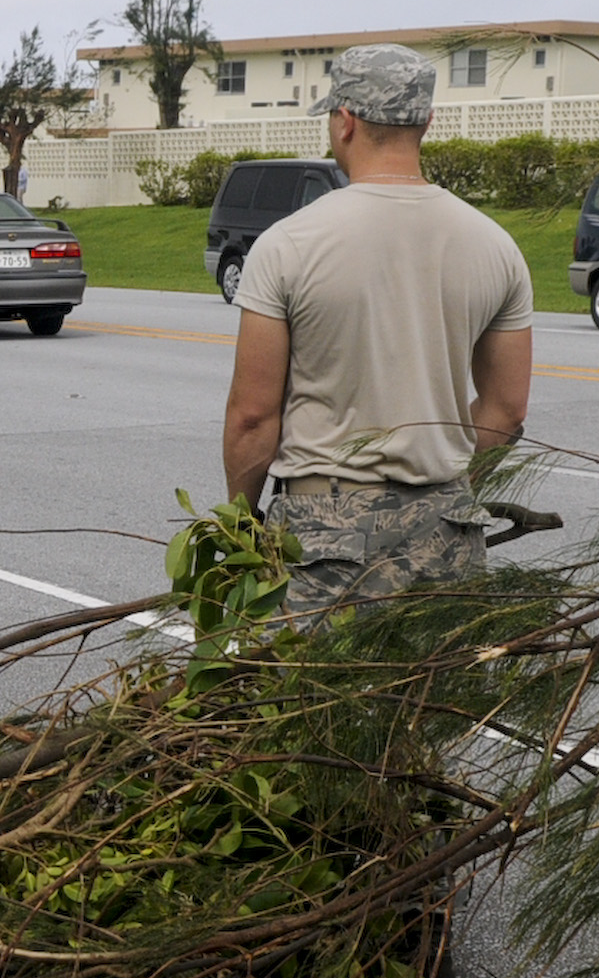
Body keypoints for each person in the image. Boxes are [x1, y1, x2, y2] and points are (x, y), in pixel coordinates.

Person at [219, 43, 534, 615]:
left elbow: (252, 416)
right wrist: (447, 490)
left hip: (324, 540)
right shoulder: (495, 246)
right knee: (437, 703)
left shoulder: (289, 245)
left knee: (312, 702)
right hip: (448, 537)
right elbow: (507, 410)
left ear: (345, 121)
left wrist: (241, 524)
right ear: (427, 121)